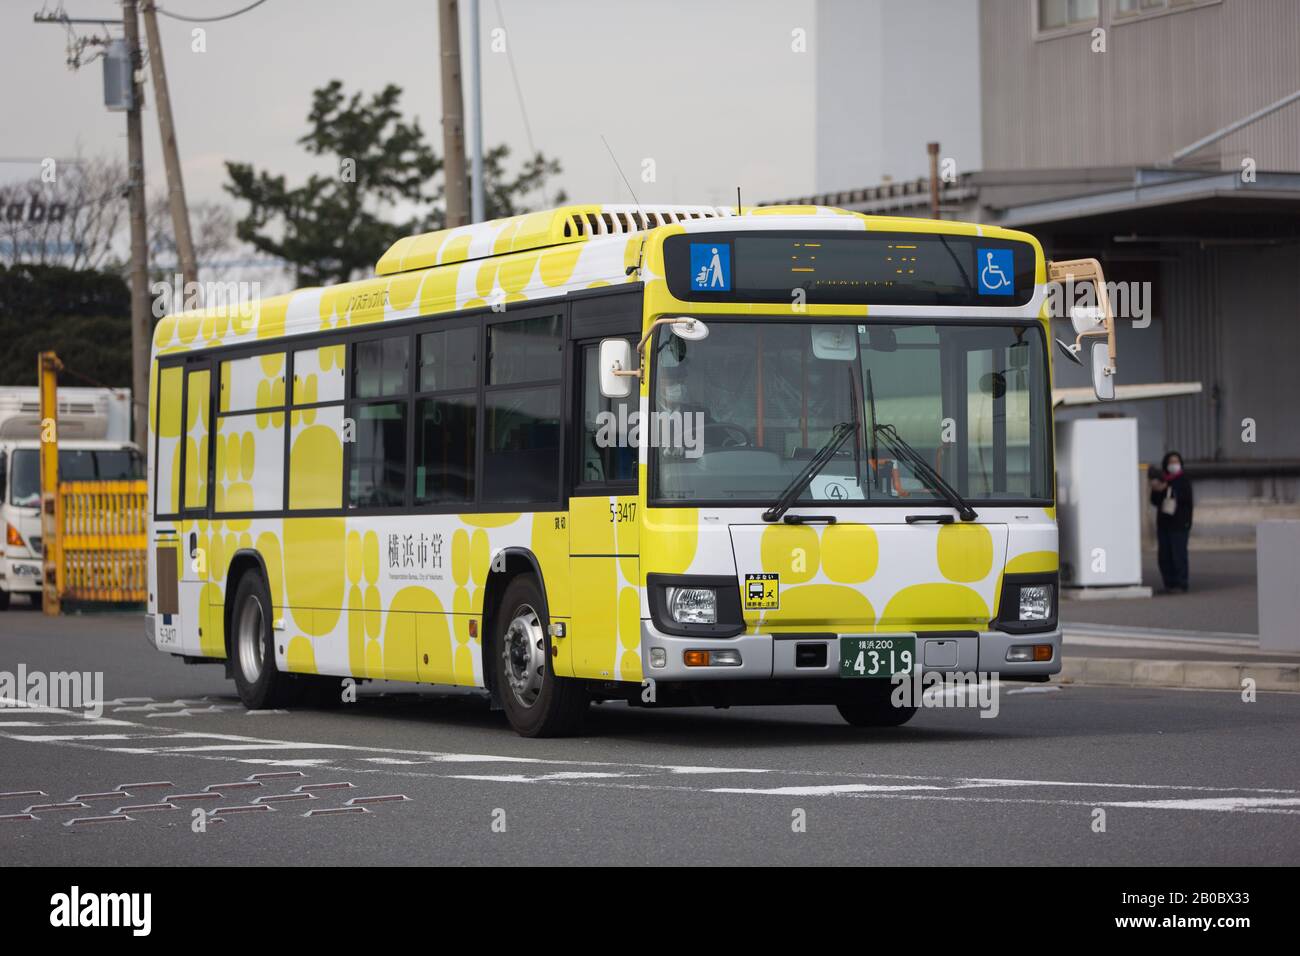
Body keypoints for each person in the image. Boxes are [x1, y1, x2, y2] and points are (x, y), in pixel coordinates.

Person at [1149, 451, 1193, 593]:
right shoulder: (1162, 479)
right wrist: (1158, 489)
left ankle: (1181, 583)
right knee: (1165, 556)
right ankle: (1169, 583)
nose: (1174, 465)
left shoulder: (1183, 479)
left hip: (1180, 523)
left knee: (1178, 554)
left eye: (1176, 461)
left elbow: (1185, 499)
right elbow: (1154, 501)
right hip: (1164, 524)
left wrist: (1170, 489)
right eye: (1171, 462)